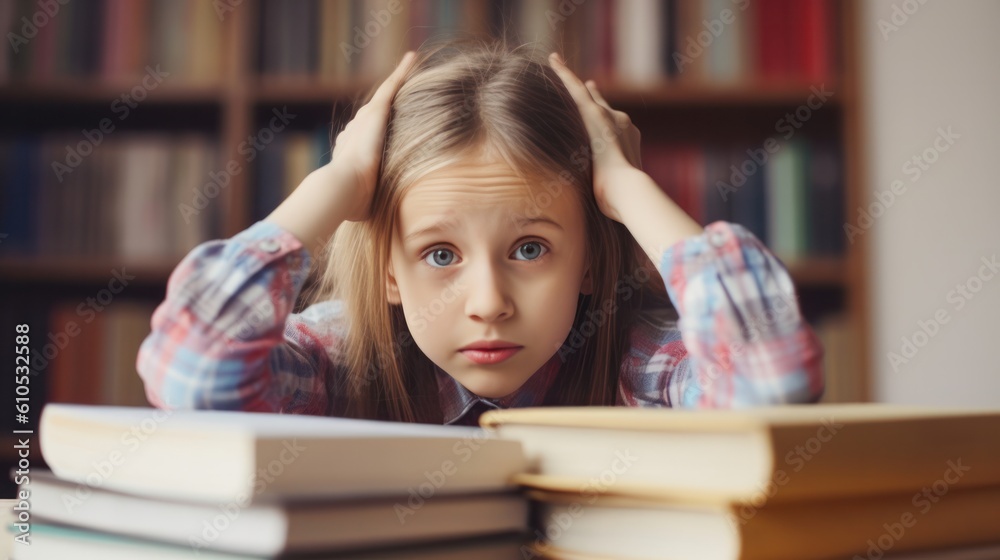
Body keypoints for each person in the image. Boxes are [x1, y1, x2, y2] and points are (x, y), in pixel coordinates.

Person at [137, 38, 824, 426]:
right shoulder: (340, 360)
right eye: (440, 254)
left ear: (588, 261)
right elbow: (196, 377)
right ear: (386, 273)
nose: (489, 302)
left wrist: (627, 189)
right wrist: (336, 182)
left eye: (531, 248)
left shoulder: (637, 364)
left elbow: (772, 381)